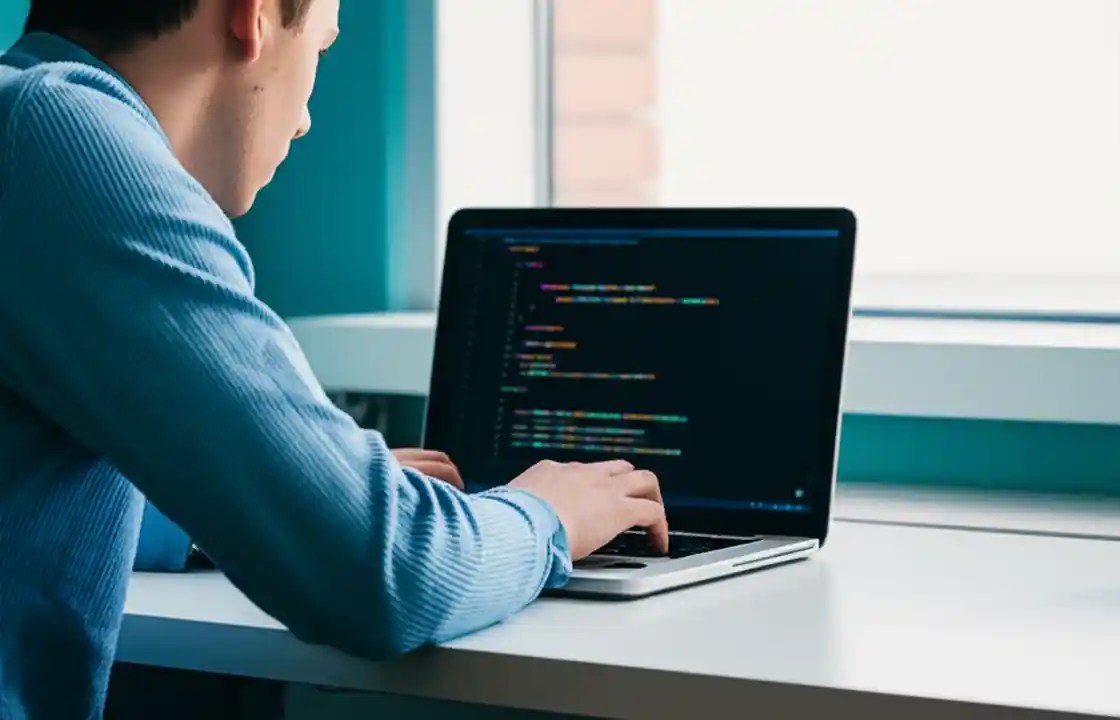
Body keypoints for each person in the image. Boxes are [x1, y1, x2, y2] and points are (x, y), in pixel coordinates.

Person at [0, 0, 669, 717]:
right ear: (252, 16)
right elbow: (384, 576)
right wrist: (550, 515)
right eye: (322, 47)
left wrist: (275, 495)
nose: (307, 117)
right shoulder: (60, 138)